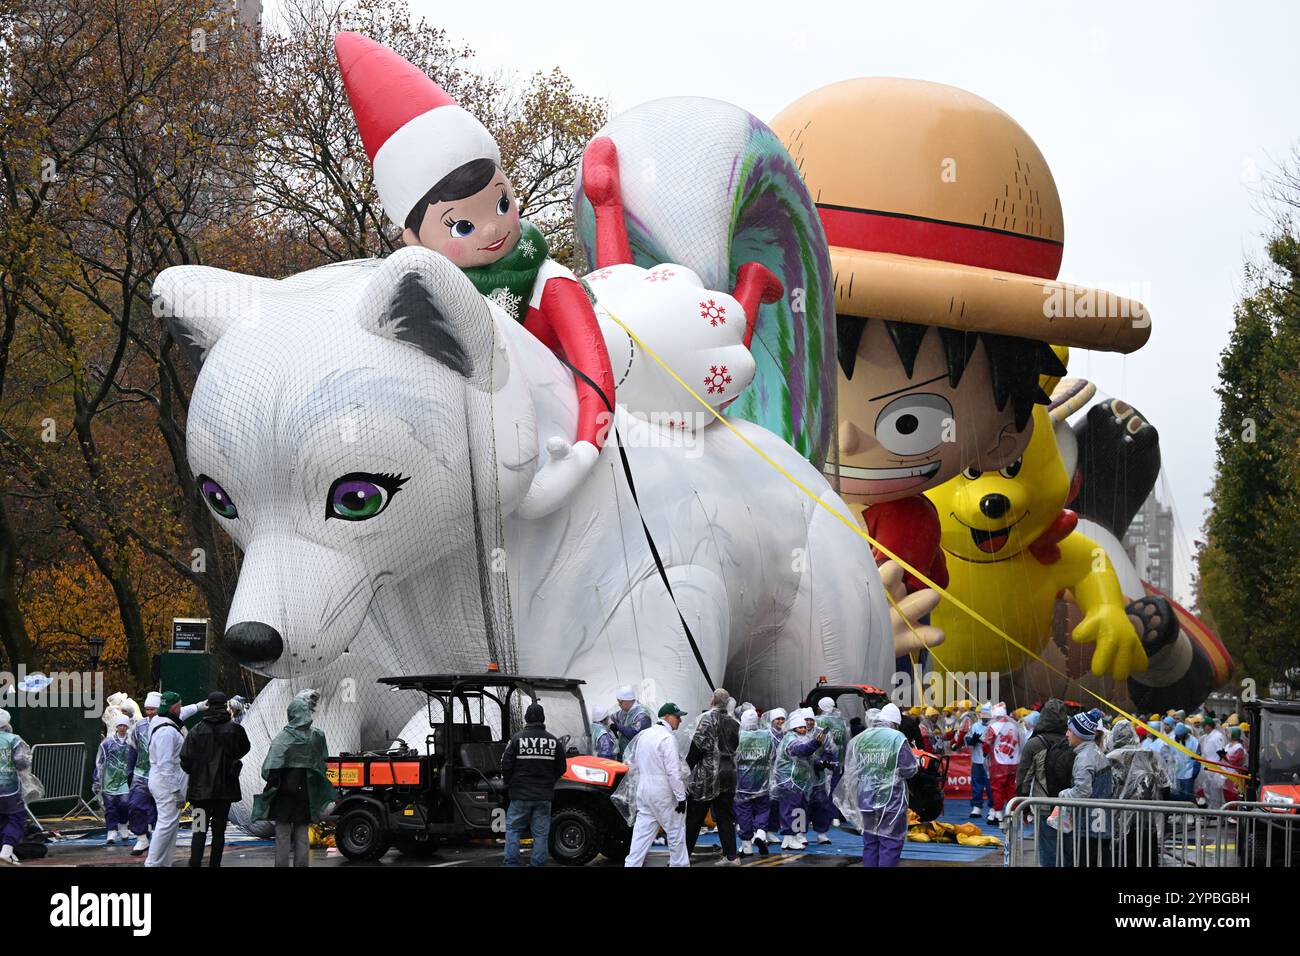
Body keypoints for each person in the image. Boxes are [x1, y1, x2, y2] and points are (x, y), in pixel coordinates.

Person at [336, 33, 614, 512]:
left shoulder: (547, 282)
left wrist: (586, 448)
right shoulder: (421, 310)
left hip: (568, 444)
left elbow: (595, 373)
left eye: (501, 203)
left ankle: (608, 207)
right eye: (462, 225)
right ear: (413, 242)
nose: (492, 228)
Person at [252, 695, 336, 867]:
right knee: (302, 833)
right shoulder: (316, 735)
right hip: (306, 791)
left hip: (284, 792)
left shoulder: (283, 737)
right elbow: (322, 760)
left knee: (282, 834)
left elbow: (272, 767)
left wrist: (271, 787)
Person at [834, 703, 918, 867]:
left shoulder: (861, 738)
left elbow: (852, 769)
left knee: (871, 841)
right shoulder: (897, 738)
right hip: (890, 800)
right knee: (890, 842)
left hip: (865, 798)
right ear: (895, 723)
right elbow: (909, 769)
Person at [180, 691, 250, 867]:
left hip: (199, 793)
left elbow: (185, 758)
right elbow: (244, 749)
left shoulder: (196, 730)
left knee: (199, 830)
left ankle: (195, 863)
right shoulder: (235, 729)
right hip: (224, 792)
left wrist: (195, 772)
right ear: (225, 705)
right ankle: (215, 864)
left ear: (209, 706)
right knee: (219, 831)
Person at [500, 702, 568, 867]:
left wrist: (511, 782)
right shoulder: (553, 741)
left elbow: (506, 765)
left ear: (526, 719)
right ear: (543, 719)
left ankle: (511, 864)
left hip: (520, 795)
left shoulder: (517, 739)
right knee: (540, 834)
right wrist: (548, 781)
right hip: (544, 795)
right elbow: (562, 768)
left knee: (514, 830)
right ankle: (537, 864)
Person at [144, 691, 207, 867]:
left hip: (163, 783)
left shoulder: (159, 719)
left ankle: (163, 863)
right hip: (166, 786)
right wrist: (176, 792)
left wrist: (198, 706)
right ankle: (152, 863)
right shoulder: (166, 733)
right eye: (179, 706)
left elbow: (180, 713)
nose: (180, 709)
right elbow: (165, 765)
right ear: (174, 707)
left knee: (170, 826)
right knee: (165, 825)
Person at [624, 703, 690, 868]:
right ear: (667, 717)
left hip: (644, 790)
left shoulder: (644, 735)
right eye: (677, 717)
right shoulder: (667, 738)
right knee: (676, 833)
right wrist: (681, 797)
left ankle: (631, 865)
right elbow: (673, 772)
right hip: (663, 791)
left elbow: (633, 763)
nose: (680, 721)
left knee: (641, 836)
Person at [684, 688, 741, 864]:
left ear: (712, 701)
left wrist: (685, 770)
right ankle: (731, 856)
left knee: (694, 818)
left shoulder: (707, 719)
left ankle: (683, 856)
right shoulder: (734, 722)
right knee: (725, 817)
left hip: (708, 777)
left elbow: (697, 748)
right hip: (728, 775)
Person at [1105, 718, 1172, 865]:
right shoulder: (1151, 755)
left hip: (1118, 820)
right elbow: (1165, 786)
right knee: (1147, 858)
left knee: (1121, 859)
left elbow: (1106, 788)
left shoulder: (1110, 758)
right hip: (1148, 819)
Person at [1056, 708, 1114, 867]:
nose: (1067, 734)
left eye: (1069, 730)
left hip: (1088, 828)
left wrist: (1062, 794)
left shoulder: (1084, 758)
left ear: (1080, 734)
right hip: (1100, 824)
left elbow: (1082, 791)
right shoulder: (1095, 752)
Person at [1015, 698, 1068, 867]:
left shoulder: (1034, 744)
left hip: (1044, 806)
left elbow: (1023, 780)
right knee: (1070, 853)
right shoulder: (1073, 742)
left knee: (1049, 853)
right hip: (1072, 806)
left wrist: (1023, 808)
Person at [771, 707, 826, 850]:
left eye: (804, 727)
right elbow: (801, 750)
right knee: (790, 809)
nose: (803, 729)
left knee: (800, 809)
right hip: (790, 781)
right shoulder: (791, 739)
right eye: (800, 727)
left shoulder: (801, 738)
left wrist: (821, 763)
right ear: (794, 728)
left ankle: (795, 837)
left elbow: (810, 757)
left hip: (800, 782)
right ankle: (789, 837)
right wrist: (816, 743)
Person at [734, 709, 773, 855]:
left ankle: (746, 846)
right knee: (763, 810)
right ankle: (761, 833)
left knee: (743, 814)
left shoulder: (739, 736)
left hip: (742, 784)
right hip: (762, 781)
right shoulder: (766, 735)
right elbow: (773, 754)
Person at [810, 697, 849, 844]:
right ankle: (835, 817)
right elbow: (846, 741)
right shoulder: (841, 722)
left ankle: (817, 819)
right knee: (835, 790)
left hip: (820, 761)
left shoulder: (817, 721)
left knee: (819, 791)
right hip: (836, 761)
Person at [93, 714, 135, 846]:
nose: (122, 728)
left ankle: (123, 825)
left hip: (125, 780)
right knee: (110, 806)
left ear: (127, 726)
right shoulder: (107, 742)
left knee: (124, 804)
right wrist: (97, 778)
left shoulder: (131, 743)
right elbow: (100, 761)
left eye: (124, 725)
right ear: (116, 726)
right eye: (120, 725)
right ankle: (111, 830)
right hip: (109, 778)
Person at [127, 691, 160, 856]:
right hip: (141, 774)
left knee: (159, 809)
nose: (150, 712)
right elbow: (132, 750)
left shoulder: (169, 725)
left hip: (162, 775)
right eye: (147, 709)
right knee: (134, 805)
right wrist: (129, 771)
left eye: (153, 709)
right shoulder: (139, 727)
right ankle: (141, 838)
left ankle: (157, 837)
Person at [0, 708, 32, 866]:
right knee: (17, 818)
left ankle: (4, 853)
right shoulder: (13, 739)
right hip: (9, 787)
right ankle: (6, 851)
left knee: (2, 820)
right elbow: (21, 762)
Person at [982, 703, 1023, 825]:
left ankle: (998, 813)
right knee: (1011, 788)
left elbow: (986, 744)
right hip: (1014, 762)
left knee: (997, 788)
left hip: (999, 763)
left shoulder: (994, 727)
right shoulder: (1015, 726)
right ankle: (1011, 813)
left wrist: (985, 754)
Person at [612, 686, 653, 758]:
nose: (619, 704)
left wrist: (617, 727)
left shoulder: (642, 715)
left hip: (637, 756)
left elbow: (633, 733)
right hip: (625, 754)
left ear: (628, 700)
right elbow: (614, 717)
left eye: (620, 702)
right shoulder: (625, 711)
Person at [967, 704, 993, 819]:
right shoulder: (975, 726)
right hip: (977, 760)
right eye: (983, 715)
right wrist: (972, 740)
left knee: (991, 786)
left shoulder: (994, 726)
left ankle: (993, 807)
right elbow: (968, 739)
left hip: (991, 762)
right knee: (977, 784)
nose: (985, 718)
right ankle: (977, 806)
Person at [1198, 717, 1228, 809]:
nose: (1203, 728)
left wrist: (1219, 768)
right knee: (1208, 790)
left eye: (1204, 726)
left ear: (1209, 726)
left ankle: (1217, 810)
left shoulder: (1217, 736)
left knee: (1216, 792)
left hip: (1215, 768)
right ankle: (1211, 808)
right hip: (1207, 768)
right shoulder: (1207, 736)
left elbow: (1221, 752)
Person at [1171, 723, 1201, 802]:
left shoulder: (1194, 741)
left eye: (1181, 735)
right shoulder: (1171, 740)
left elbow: (1198, 758)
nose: (1179, 737)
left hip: (1189, 773)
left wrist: (1194, 772)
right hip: (1176, 773)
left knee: (1188, 796)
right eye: (1178, 736)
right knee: (1176, 795)